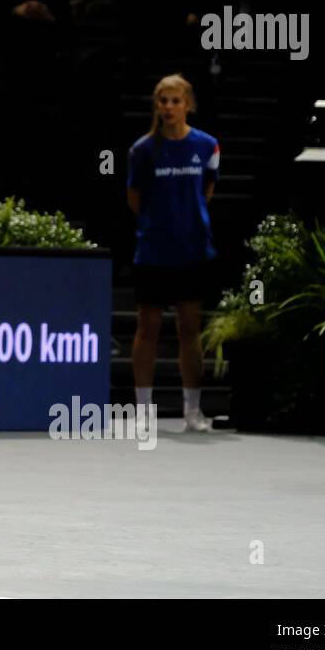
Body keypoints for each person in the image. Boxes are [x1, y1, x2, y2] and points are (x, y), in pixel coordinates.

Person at [126, 74, 220, 432]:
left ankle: (193, 411)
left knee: (189, 328)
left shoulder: (208, 146)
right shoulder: (142, 150)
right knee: (146, 327)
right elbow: (134, 199)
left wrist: (187, 219)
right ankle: (143, 411)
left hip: (193, 251)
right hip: (153, 251)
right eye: (162, 101)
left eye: (175, 101)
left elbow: (207, 190)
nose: (168, 107)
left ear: (188, 105)